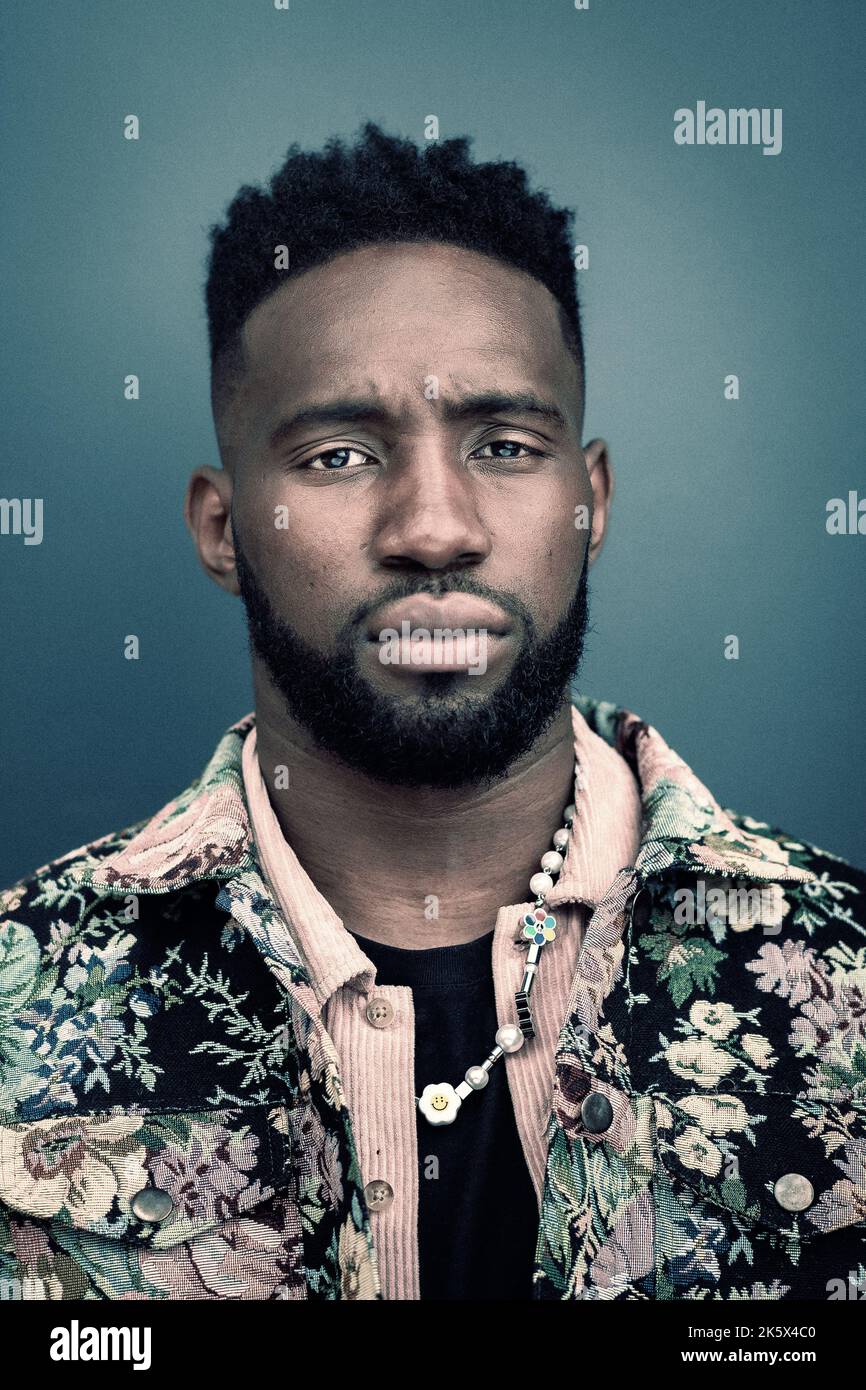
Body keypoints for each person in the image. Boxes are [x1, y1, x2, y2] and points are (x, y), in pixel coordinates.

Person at [0, 124, 863, 1303]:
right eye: (342, 455)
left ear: (587, 500)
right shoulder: (20, 992)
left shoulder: (842, 972)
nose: (434, 528)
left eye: (504, 445)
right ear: (221, 527)